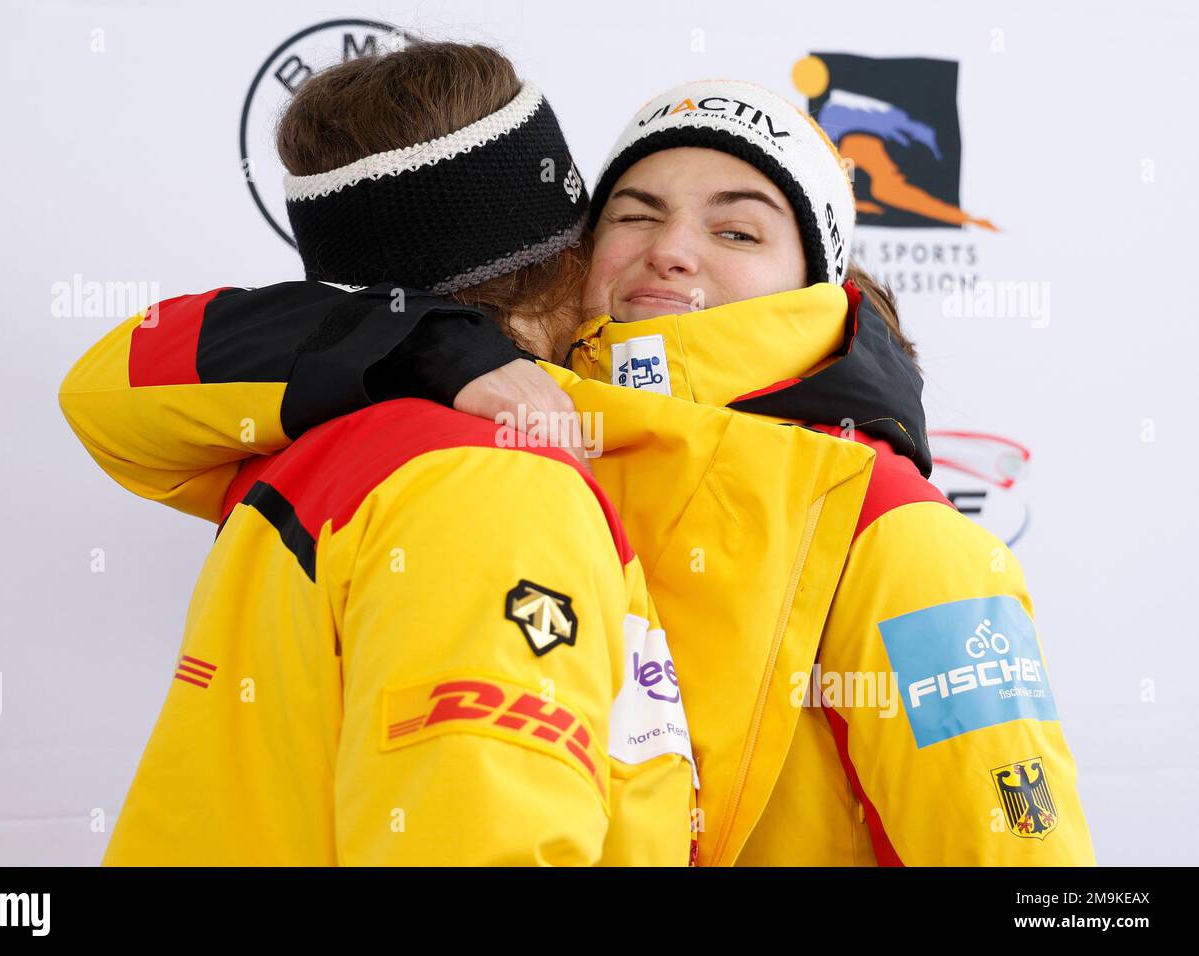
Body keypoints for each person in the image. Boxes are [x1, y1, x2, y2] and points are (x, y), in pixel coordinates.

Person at [62, 52, 1095, 865]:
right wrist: (424, 340)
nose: (672, 249)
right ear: (572, 252)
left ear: (813, 278)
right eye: (634, 214)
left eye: (738, 230)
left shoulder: (894, 525)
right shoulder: (496, 428)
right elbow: (117, 390)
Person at [62, 42, 698, 866]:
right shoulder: (495, 481)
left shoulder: (313, 441)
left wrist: (416, 340)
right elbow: (475, 844)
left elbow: (114, 390)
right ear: (565, 247)